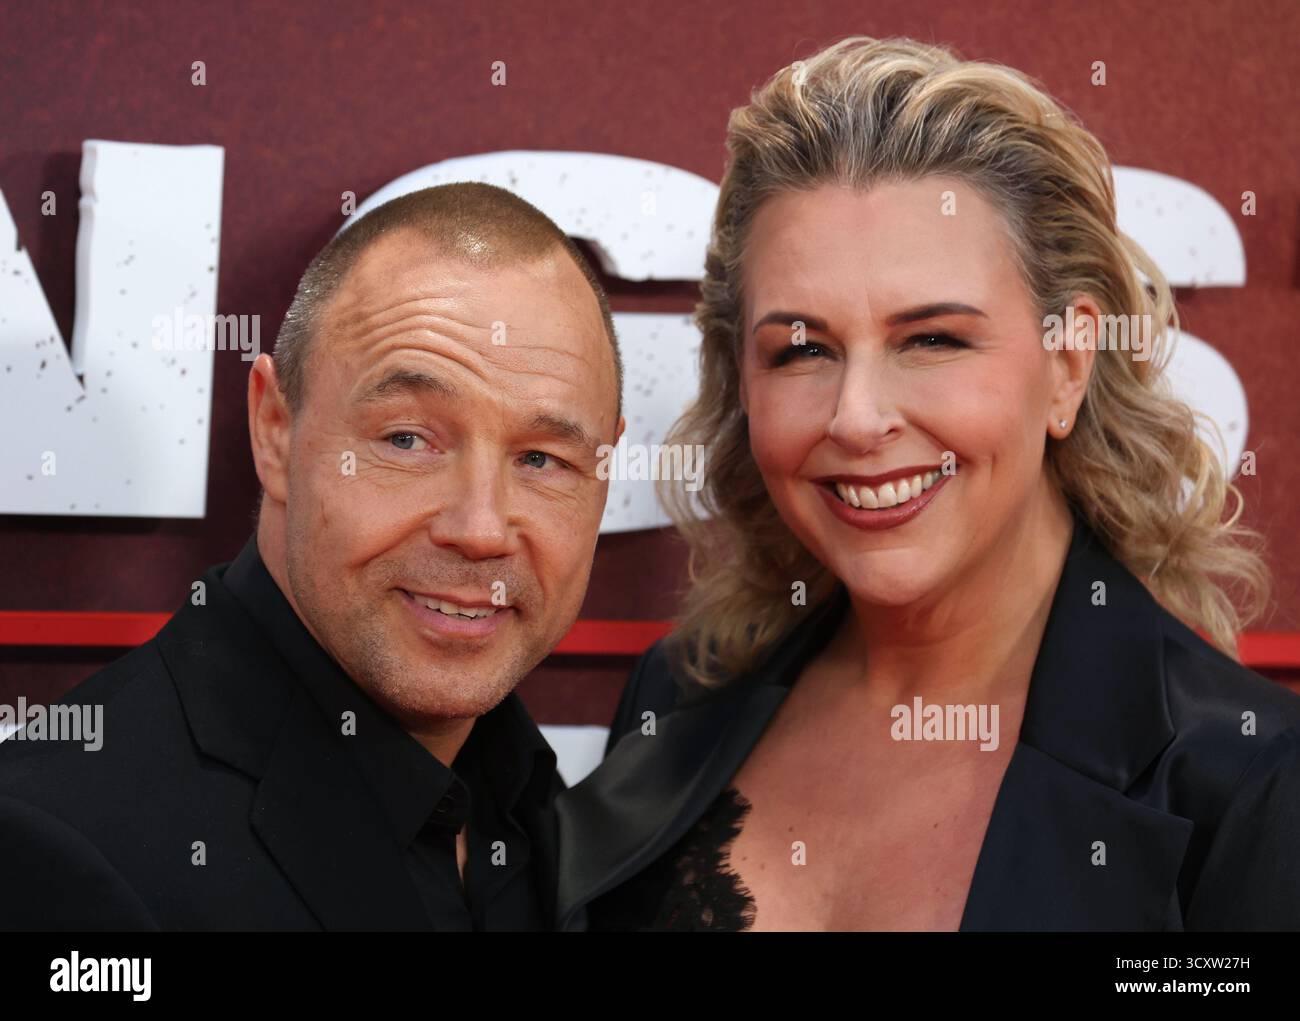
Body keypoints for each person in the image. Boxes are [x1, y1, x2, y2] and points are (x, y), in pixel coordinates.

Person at [556, 36, 1300, 931]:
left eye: (934, 338)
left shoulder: (1251, 783)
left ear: (1068, 362)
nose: (858, 418)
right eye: (801, 349)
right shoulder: (674, 701)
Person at [0, 182, 625, 930]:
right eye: (406, 440)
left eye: (543, 458)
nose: (481, 528)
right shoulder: (52, 842)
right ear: (274, 429)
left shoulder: (558, 811)